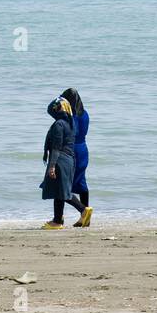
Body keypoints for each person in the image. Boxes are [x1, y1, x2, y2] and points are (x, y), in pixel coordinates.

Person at [40, 96, 91, 230]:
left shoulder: (59, 124)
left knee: (63, 191)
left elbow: (56, 147)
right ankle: (57, 220)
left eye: (57, 107)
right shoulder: (70, 123)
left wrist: (51, 166)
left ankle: (83, 210)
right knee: (60, 190)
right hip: (69, 159)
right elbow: (50, 109)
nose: (54, 109)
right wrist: (63, 101)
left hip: (60, 160)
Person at [60, 87, 91, 223]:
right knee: (81, 183)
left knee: (61, 184)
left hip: (71, 150)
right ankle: (86, 219)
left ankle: (59, 217)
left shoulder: (69, 116)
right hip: (83, 149)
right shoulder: (85, 114)